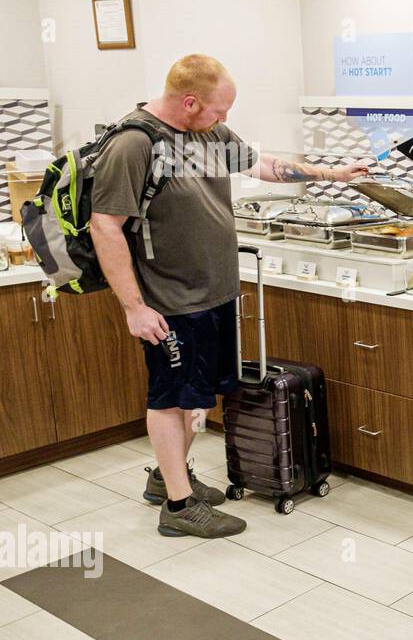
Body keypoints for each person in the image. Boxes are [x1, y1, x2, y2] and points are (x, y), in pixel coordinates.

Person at [89, 54, 368, 538]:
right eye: (220, 110)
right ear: (190, 101)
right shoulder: (135, 144)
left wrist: (331, 175)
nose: (226, 120)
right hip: (171, 300)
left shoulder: (209, 134)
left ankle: (166, 478)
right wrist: (134, 307)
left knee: (197, 396)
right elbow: (105, 226)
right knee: (170, 399)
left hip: (216, 292)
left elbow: (262, 165)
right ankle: (178, 508)